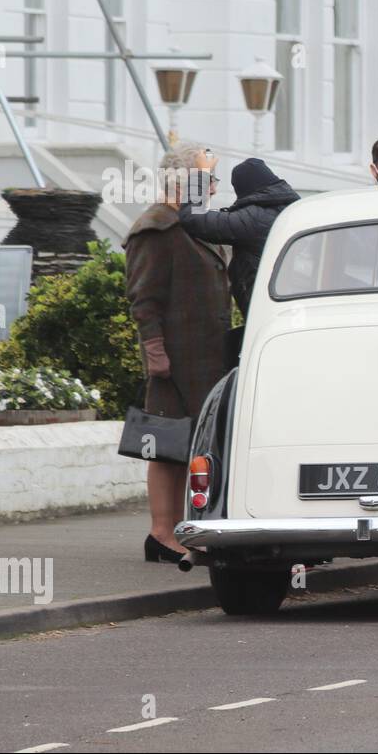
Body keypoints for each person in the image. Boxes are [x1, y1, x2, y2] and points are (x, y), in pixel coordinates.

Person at [125, 143, 232, 564]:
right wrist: (156, 355)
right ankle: (161, 534)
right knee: (166, 447)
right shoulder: (156, 228)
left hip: (205, 356)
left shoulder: (193, 224)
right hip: (175, 359)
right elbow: (143, 300)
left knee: (194, 449)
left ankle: (185, 530)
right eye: (207, 178)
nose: (212, 187)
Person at [177, 157, 300, 319]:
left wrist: (201, 174)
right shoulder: (293, 210)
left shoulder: (253, 219)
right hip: (291, 309)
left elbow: (192, 217)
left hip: (265, 314)